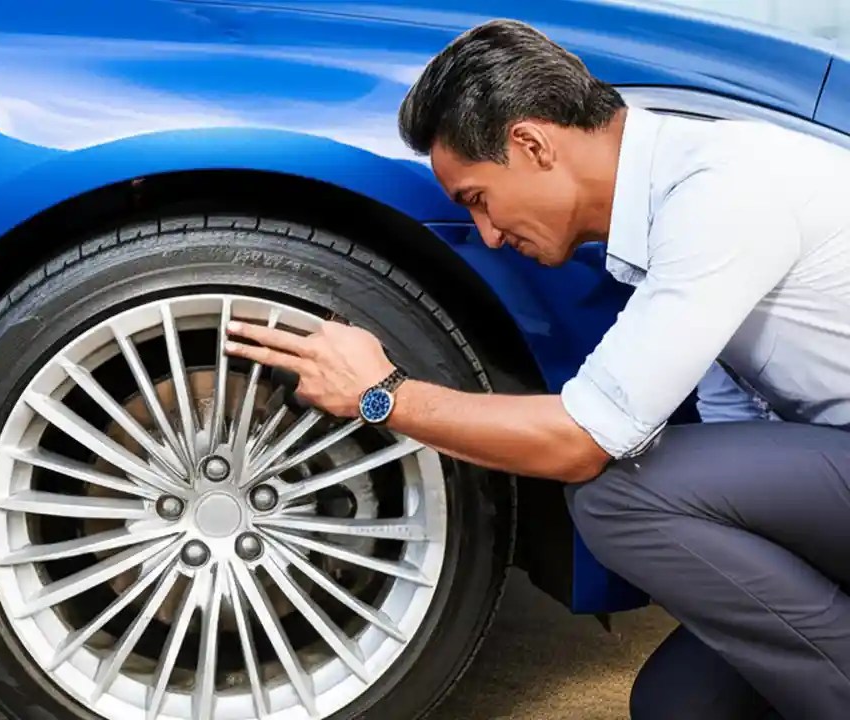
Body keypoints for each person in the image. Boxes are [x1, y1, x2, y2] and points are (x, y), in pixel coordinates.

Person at [224, 18, 850, 720]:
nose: (489, 234)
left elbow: (582, 441)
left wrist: (381, 396)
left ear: (531, 143)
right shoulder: (673, 214)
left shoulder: (719, 193)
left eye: (477, 200)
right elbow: (741, 443)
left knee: (620, 494)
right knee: (679, 705)